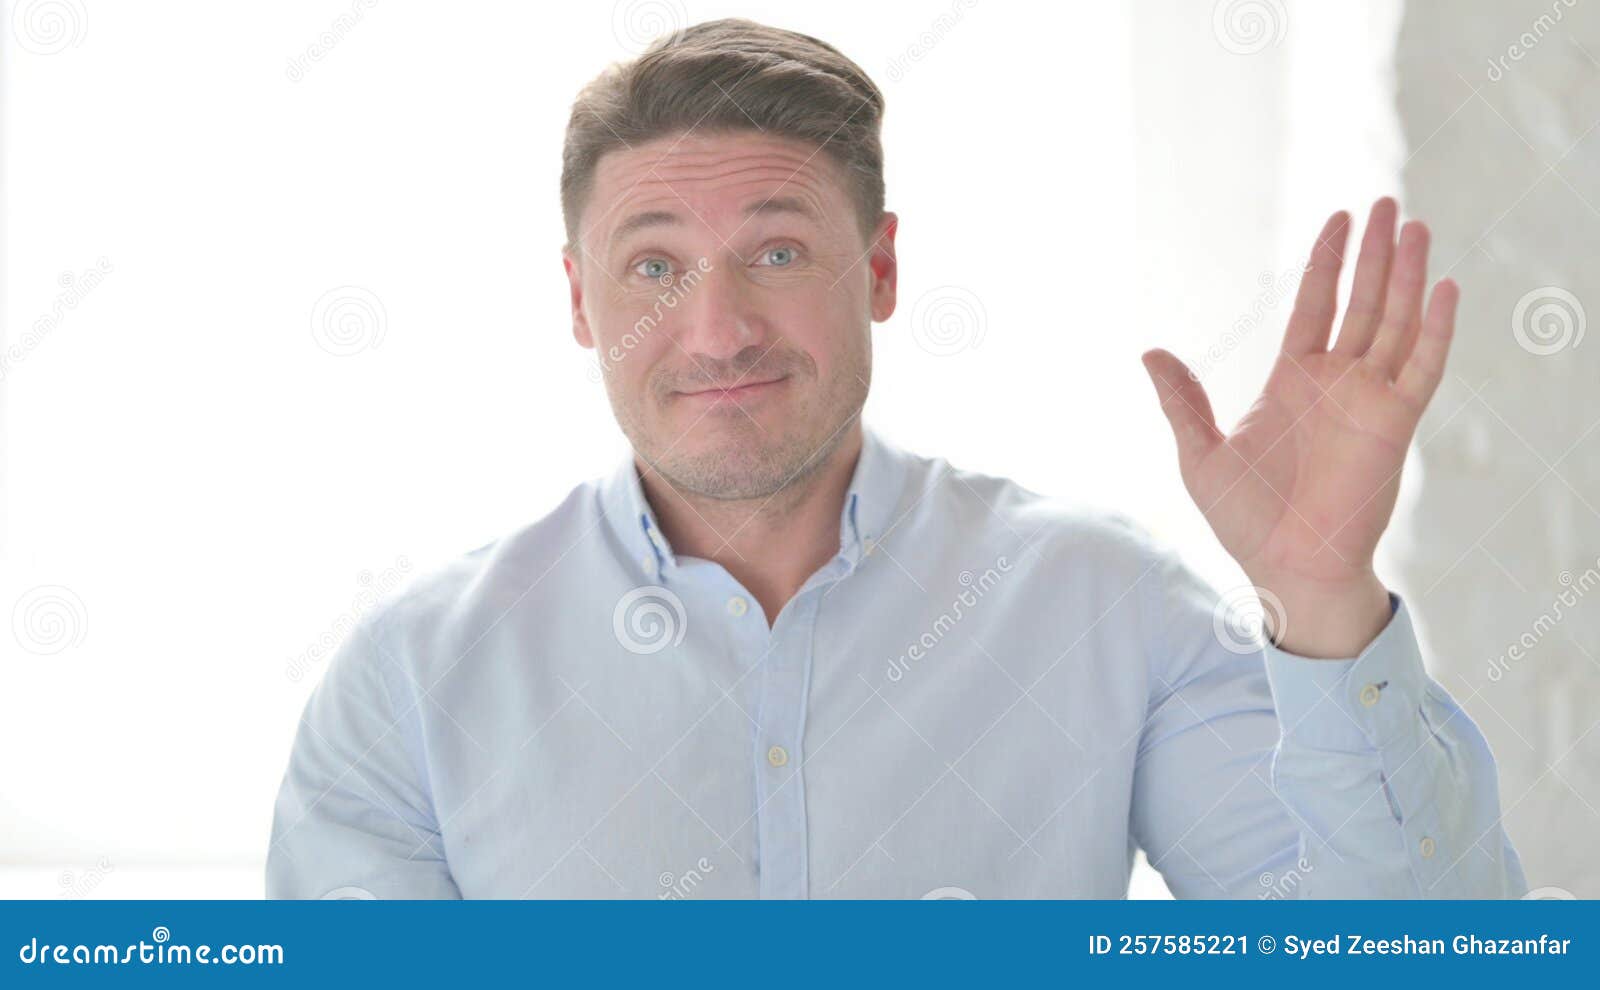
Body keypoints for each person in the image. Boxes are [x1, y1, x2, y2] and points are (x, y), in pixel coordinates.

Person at [266, 18, 1524, 899]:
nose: (715, 330)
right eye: (653, 266)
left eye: (776, 252)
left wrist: (1319, 601)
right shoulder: (413, 680)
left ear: (878, 270)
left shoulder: (1102, 608)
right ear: (581, 302)